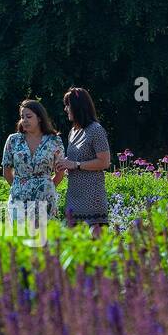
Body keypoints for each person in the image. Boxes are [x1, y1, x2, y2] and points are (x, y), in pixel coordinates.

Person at [1, 99, 65, 225]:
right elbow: (6, 172)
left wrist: (46, 186)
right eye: (22, 117)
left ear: (40, 118)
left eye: (29, 116)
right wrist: (20, 187)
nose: (24, 120)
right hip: (18, 200)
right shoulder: (13, 140)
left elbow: (60, 173)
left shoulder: (54, 141)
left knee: (43, 241)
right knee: (19, 240)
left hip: (45, 200)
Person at [56, 87, 111, 231]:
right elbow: (75, 161)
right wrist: (63, 163)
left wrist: (75, 164)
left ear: (78, 107)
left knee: (95, 247)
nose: (66, 109)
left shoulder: (96, 130)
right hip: (73, 195)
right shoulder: (73, 132)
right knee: (75, 246)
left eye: (68, 105)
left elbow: (104, 162)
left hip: (92, 197)